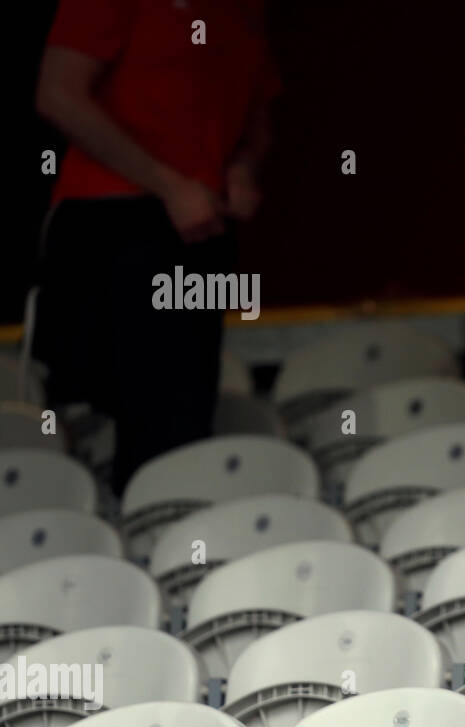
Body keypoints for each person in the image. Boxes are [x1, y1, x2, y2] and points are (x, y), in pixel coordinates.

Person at [33, 0, 280, 496]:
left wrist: (243, 168)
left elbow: (257, 109)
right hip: (117, 218)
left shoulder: (245, 10)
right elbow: (57, 94)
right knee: (123, 420)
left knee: (183, 418)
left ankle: (169, 551)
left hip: (202, 228)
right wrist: (168, 185)